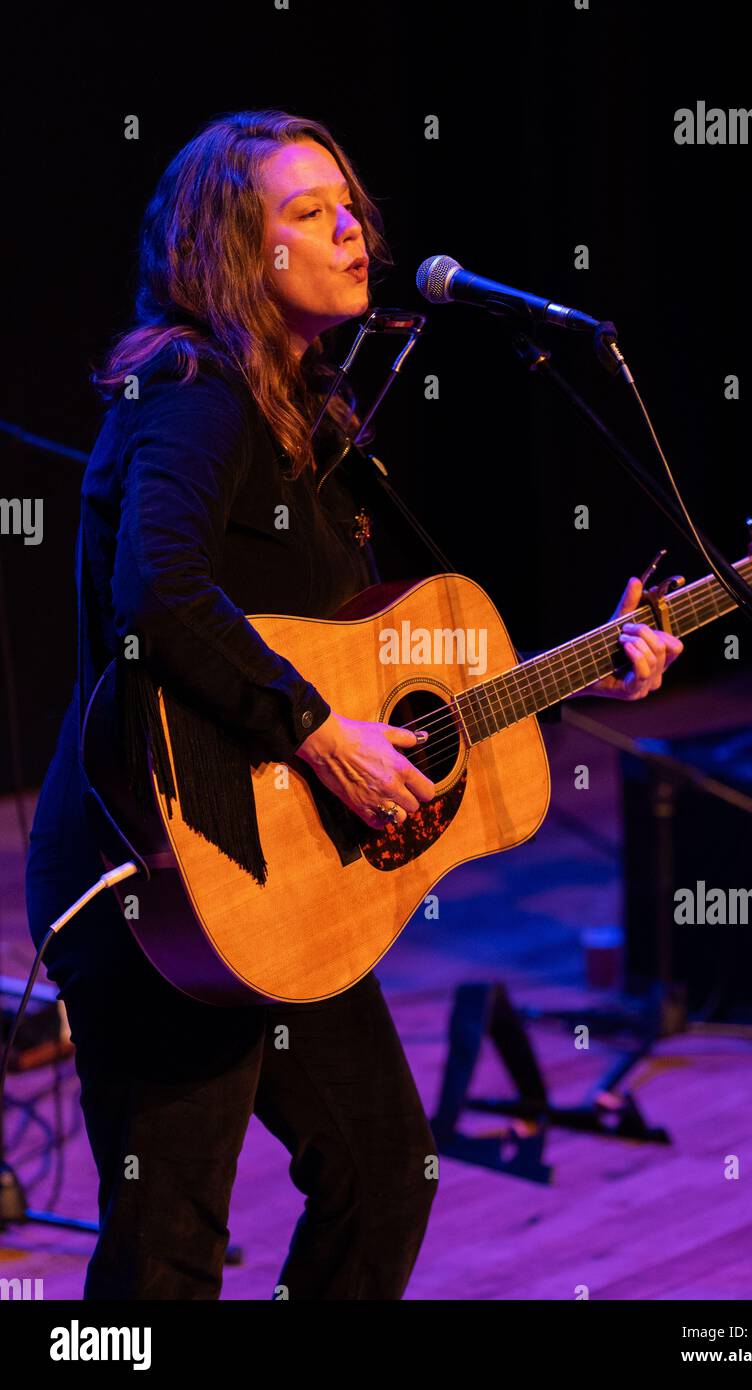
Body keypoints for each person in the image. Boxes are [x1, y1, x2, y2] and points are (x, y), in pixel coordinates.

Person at [24, 109, 683, 1301]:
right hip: (162, 876)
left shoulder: (310, 419)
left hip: (275, 883)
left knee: (384, 1173)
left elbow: (373, 662)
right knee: (165, 1247)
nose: (350, 228)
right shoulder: (192, 391)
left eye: (349, 206)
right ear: (235, 250)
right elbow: (157, 593)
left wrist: (600, 651)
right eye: (306, 211)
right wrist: (322, 738)